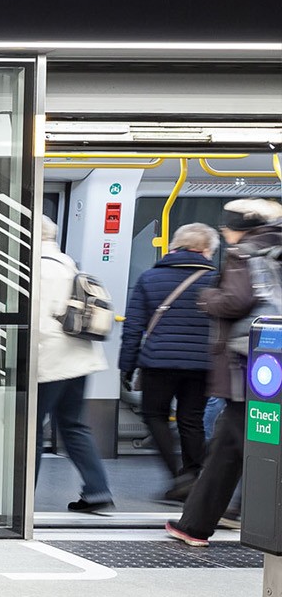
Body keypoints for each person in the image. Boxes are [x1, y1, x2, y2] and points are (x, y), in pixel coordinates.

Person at [167, 199, 282, 546]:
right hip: (270, 363)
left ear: (237, 228)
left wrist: (208, 298)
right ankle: (199, 523)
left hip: (252, 364)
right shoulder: (276, 250)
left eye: (226, 227)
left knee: (229, 445)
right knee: (231, 446)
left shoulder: (243, 255)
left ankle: (195, 526)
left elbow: (235, 301)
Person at [118, 223, 218, 501]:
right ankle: (194, 475)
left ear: (175, 246)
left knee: (154, 415)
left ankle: (177, 476)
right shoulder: (215, 280)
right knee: (191, 418)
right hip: (202, 364)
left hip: (158, 362)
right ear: (206, 250)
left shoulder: (150, 278)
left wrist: (127, 365)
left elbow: (133, 326)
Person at [35, 217, 115, 514]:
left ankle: (20, 497)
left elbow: (39, 321)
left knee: (29, 427)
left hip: (50, 360)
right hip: (80, 358)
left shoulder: (36, 269)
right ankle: (97, 490)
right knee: (74, 425)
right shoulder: (69, 264)